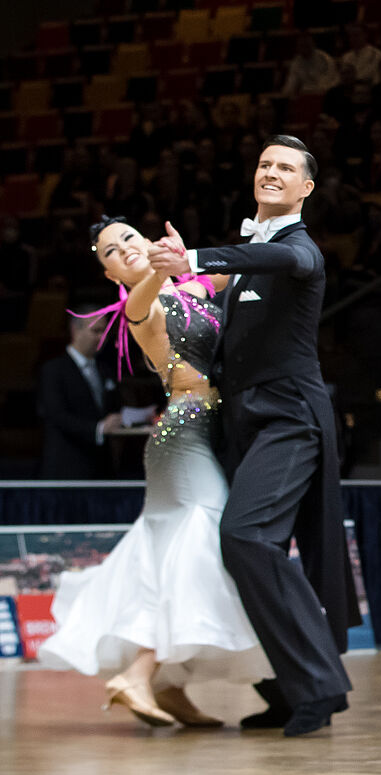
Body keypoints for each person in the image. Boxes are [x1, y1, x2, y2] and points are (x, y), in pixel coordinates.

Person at [149, 135, 357, 737]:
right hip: (244, 423)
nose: (272, 173)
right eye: (266, 164)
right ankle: (285, 689)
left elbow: (292, 264)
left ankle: (319, 688)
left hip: (290, 420)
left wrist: (194, 259)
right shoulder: (252, 250)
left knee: (247, 538)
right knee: (245, 551)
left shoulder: (297, 248)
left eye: (286, 168)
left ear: (306, 188)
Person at [38, 218, 270, 726]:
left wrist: (207, 251)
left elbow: (233, 267)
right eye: (111, 252)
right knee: (202, 545)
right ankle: (139, 674)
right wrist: (164, 266)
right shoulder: (137, 305)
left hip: (207, 432)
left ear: (146, 240)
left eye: (129, 239)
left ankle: (168, 685)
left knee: (174, 556)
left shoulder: (191, 283)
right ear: (109, 272)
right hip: (183, 438)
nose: (123, 249)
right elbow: (143, 291)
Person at [38, 309, 122, 479]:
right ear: (75, 330)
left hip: (101, 470)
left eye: (104, 332)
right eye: (96, 331)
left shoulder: (105, 370)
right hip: (66, 471)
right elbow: (56, 415)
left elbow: (113, 410)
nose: (101, 338)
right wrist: (98, 429)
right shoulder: (53, 370)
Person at [283, 32, 339, 97]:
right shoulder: (296, 62)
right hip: (306, 96)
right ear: (297, 47)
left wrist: (316, 91)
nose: (304, 48)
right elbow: (291, 84)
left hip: (325, 95)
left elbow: (331, 80)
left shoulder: (324, 58)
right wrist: (286, 93)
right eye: (301, 45)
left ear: (313, 44)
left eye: (306, 45)